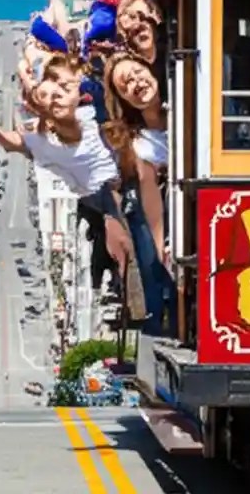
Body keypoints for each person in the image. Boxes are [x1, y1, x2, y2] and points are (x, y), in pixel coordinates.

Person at [0, 53, 147, 321]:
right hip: (98, 198)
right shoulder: (42, 140)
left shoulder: (91, 114)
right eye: (47, 99)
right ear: (43, 113)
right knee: (122, 243)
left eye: (59, 93)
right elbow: (10, 143)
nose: (55, 99)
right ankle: (137, 304)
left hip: (126, 179)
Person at [103, 51, 174, 334]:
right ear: (123, 101)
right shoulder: (137, 147)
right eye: (125, 85)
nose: (136, 83)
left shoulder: (188, 103)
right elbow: (148, 202)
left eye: (136, 73)